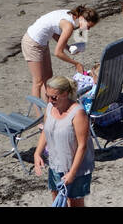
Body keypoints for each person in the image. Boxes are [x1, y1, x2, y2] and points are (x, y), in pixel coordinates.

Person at [20, 6, 100, 105]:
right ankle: (39, 116)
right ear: (82, 18)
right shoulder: (69, 26)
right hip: (32, 43)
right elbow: (57, 52)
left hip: (42, 43)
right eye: (88, 26)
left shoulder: (70, 15)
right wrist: (76, 63)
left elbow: (54, 32)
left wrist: (68, 47)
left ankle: (48, 108)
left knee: (48, 78)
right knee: (38, 82)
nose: (87, 29)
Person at [34, 76, 93, 206]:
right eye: (47, 96)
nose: (50, 100)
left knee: (75, 202)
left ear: (65, 94)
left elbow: (82, 146)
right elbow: (46, 130)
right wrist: (37, 153)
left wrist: (72, 173)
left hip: (76, 169)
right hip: (56, 164)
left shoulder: (78, 114)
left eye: (54, 97)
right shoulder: (50, 108)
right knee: (57, 200)